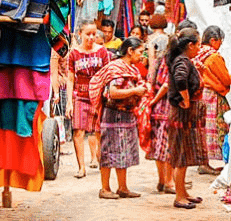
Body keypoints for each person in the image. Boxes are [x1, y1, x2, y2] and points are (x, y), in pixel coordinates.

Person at [89, 38, 148, 199]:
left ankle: (123, 187)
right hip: (114, 114)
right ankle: (105, 188)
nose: (141, 56)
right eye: (140, 52)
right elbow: (113, 93)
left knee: (124, 151)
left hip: (127, 114)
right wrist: (135, 91)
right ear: (130, 51)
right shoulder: (117, 69)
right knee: (109, 151)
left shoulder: (132, 69)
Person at [166, 28, 208, 209]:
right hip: (182, 114)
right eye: (198, 44)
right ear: (190, 45)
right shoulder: (182, 62)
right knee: (181, 156)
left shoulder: (184, 60)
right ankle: (179, 196)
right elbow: (180, 79)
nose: (199, 48)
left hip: (185, 115)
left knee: (185, 155)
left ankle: (183, 192)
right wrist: (186, 99)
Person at [67, 20, 111, 178]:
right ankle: (81, 168)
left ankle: (100, 160)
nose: (92, 37)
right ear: (80, 34)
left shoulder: (102, 52)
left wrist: (107, 94)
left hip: (99, 97)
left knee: (99, 131)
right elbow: (71, 78)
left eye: (94, 34)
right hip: (81, 96)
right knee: (78, 131)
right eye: (88, 34)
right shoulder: (74, 54)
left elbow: (107, 74)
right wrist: (69, 103)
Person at [195, 25, 231, 175]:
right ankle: (217, 162)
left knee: (204, 130)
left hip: (201, 95)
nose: (220, 44)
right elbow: (225, 79)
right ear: (213, 40)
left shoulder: (198, 53)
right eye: (220, 41)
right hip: (212, 96)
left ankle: (203, 162)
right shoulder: (214, 57)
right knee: (218, 128)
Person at [145, 14, 173, 194]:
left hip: (156, 98)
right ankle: (168, 181)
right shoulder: (169, 41)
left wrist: (149, 89)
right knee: (168, 142)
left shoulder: (151, 40)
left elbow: (151, 65)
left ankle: (161, 180)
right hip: (166, 101)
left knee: (158, 141)